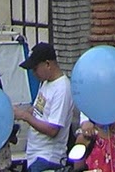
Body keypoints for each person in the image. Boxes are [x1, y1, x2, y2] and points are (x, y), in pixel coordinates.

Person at [13, 43, 74, 172]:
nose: (34, 73)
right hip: (34, 155)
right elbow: (37, 110)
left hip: (48, 158)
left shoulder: (62, 88)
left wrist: (25, 117)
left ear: (47, 64)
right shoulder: (45, 83)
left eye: (35, 69)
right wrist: (17, 112)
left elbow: (53, 129)